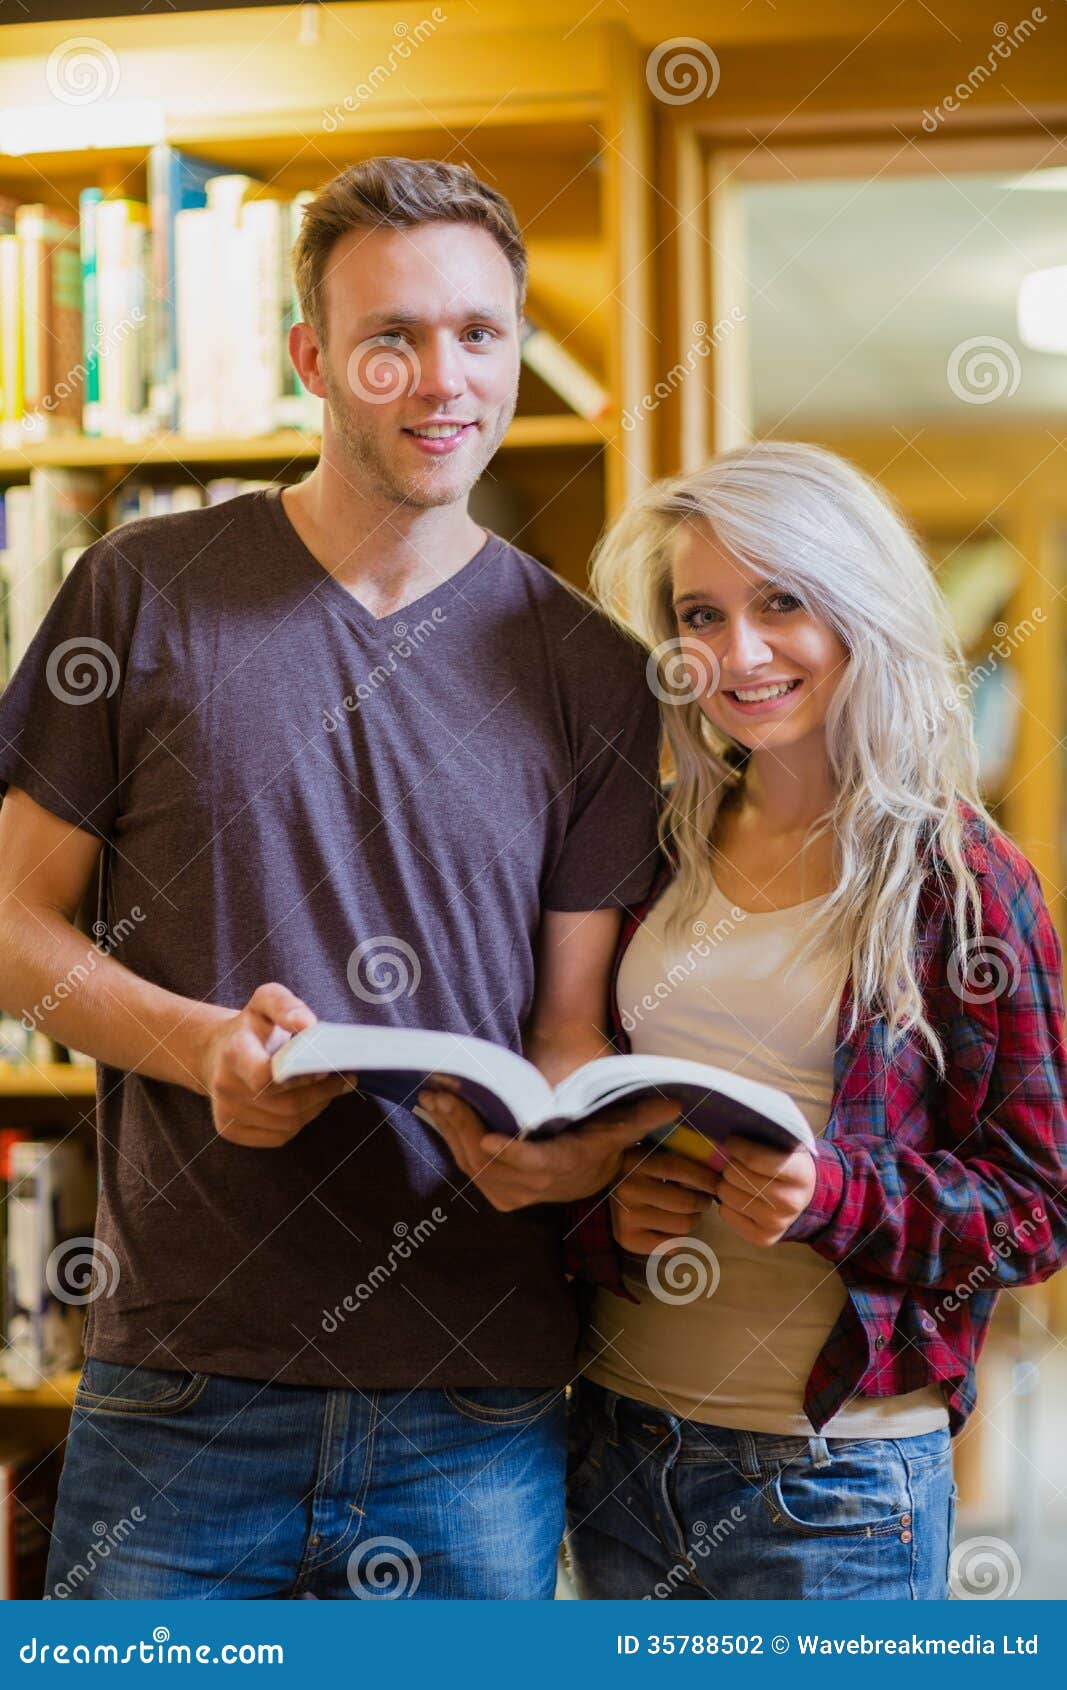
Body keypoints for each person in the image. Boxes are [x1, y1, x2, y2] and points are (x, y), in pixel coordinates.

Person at [0, 156, 675, 1600]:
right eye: (392, 338)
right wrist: (198, 1047)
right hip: (185, 1379)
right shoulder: (142, 588)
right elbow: (9, 922)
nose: (444, 379)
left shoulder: (594, 671)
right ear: (311, 356)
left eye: (479, 334)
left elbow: (569, 1022)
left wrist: (572, 1149)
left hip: (477, 1394)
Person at [557, 440, 1067, 1600]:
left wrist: (834, 1194)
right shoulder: (649, 849)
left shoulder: (964, 881)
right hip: (620, 1441)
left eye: (779, 600)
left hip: (834, 1475)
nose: (737, 651)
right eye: (700, 613)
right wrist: (607, 1201)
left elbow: (1036, 1211)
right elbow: (588, 1101)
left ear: (856, 607)